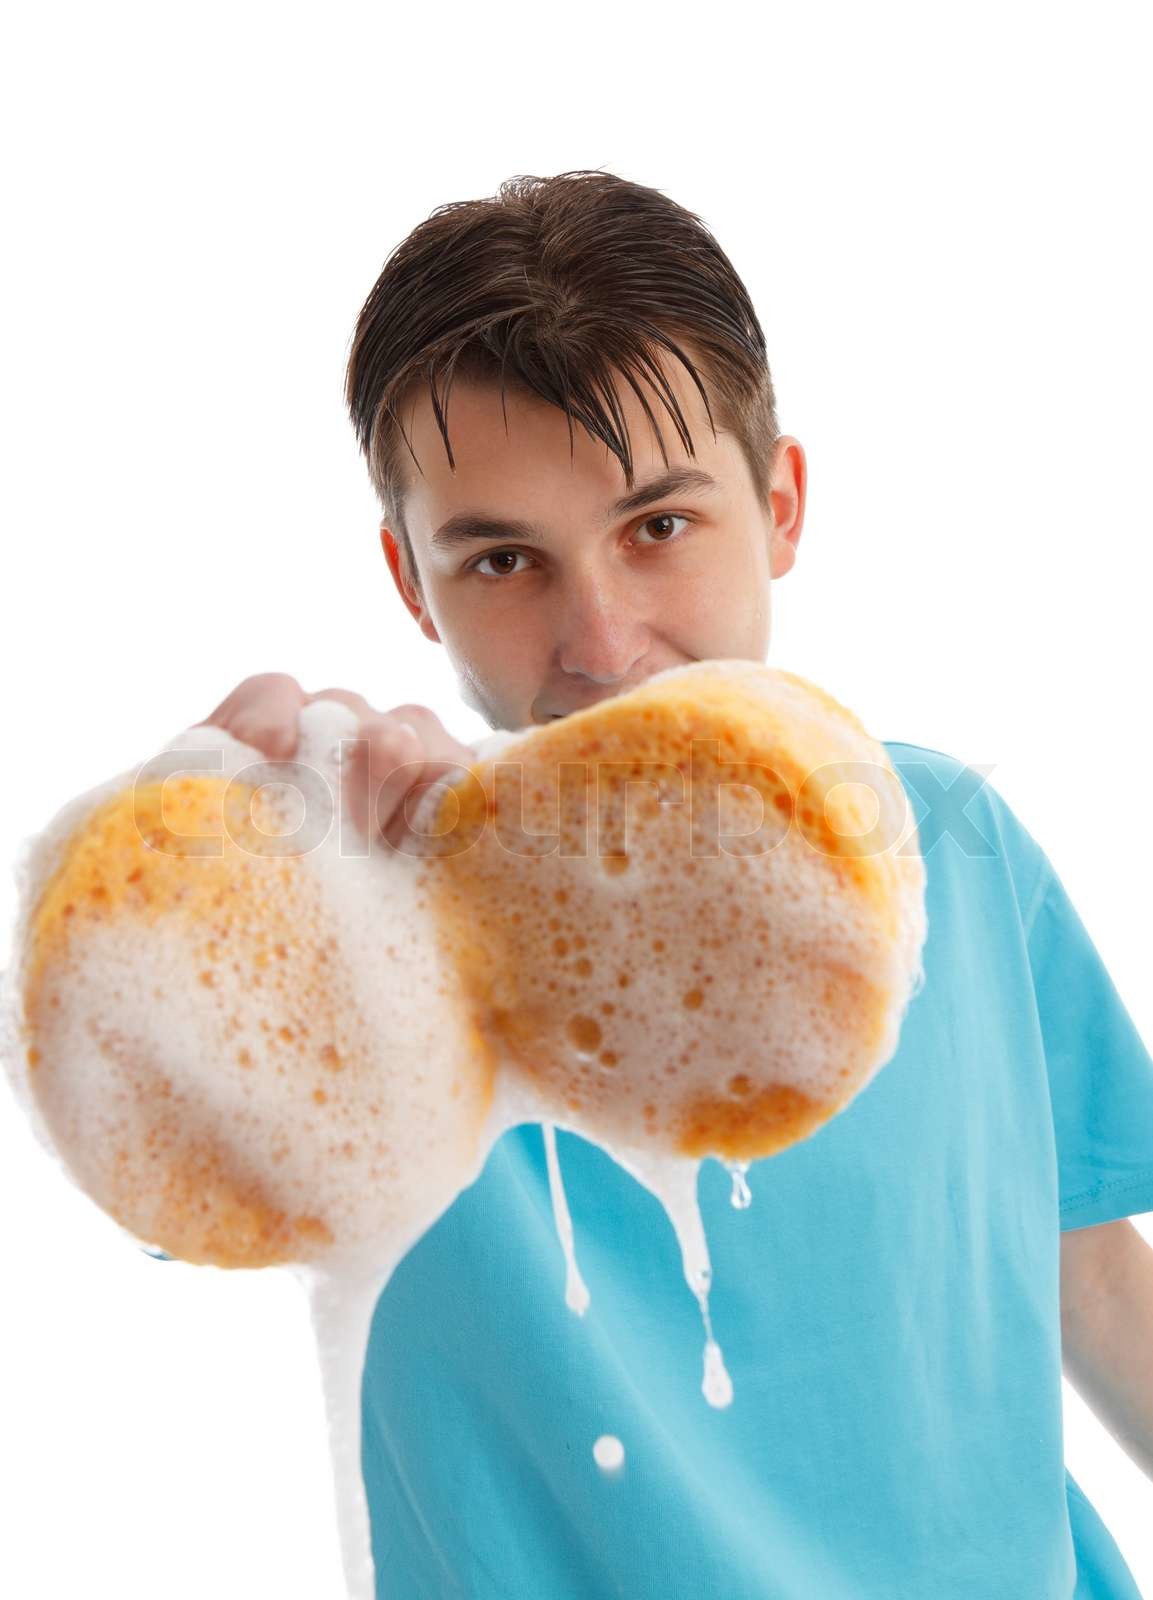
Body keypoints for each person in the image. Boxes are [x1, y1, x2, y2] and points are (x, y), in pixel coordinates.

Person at [198, 170, 1153, 1598]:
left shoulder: (952, 848)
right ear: (411, 583)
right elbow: (143, 1104)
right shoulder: (364, 935)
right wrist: (232, 854)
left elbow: (1081, 1268)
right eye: (503, 559)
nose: (601, 642)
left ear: (779, 506)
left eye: (658, 527)